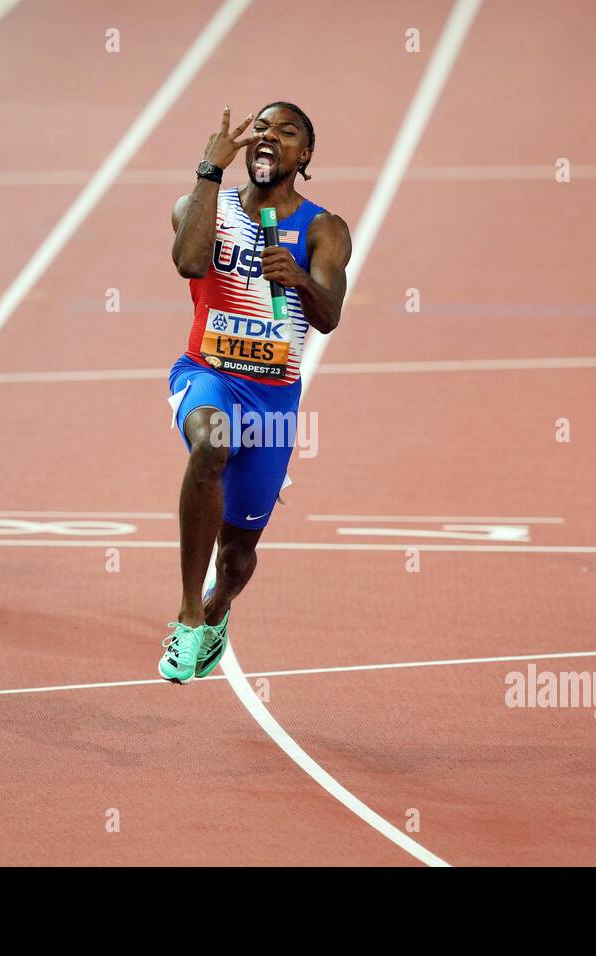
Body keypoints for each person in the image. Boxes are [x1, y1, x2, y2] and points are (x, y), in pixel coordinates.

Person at [160, 102, 351, 682]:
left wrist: (295, 277)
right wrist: (208, 172)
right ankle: (189, 616)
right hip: (206, 371)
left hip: (272, 399)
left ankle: (217, 609)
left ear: (305, 155)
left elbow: (330, 316)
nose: (270, 137)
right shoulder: (204, 208)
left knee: (238, 557)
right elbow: (188, 262)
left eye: (286, 132)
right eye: (261, 129)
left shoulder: (324, 228)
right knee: (210, 445)